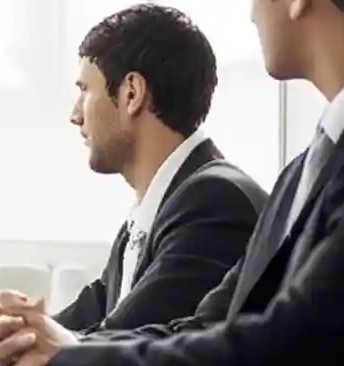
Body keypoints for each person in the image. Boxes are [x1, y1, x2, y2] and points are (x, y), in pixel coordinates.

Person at [0, 0, 344, 366]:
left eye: (84, 91)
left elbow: (294, 345)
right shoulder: (302, 170)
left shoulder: (216, 198)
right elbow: (206, 326)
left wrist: (63, 355)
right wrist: (27, 343)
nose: (252, 13)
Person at [56, 4, 267, 334]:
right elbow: (76, 325)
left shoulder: (213, 202)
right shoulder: (151, 213)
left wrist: (21, 349)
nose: (75, 114)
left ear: (132, 93)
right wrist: (0, 338)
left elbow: (125, 340)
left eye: (85, 90)